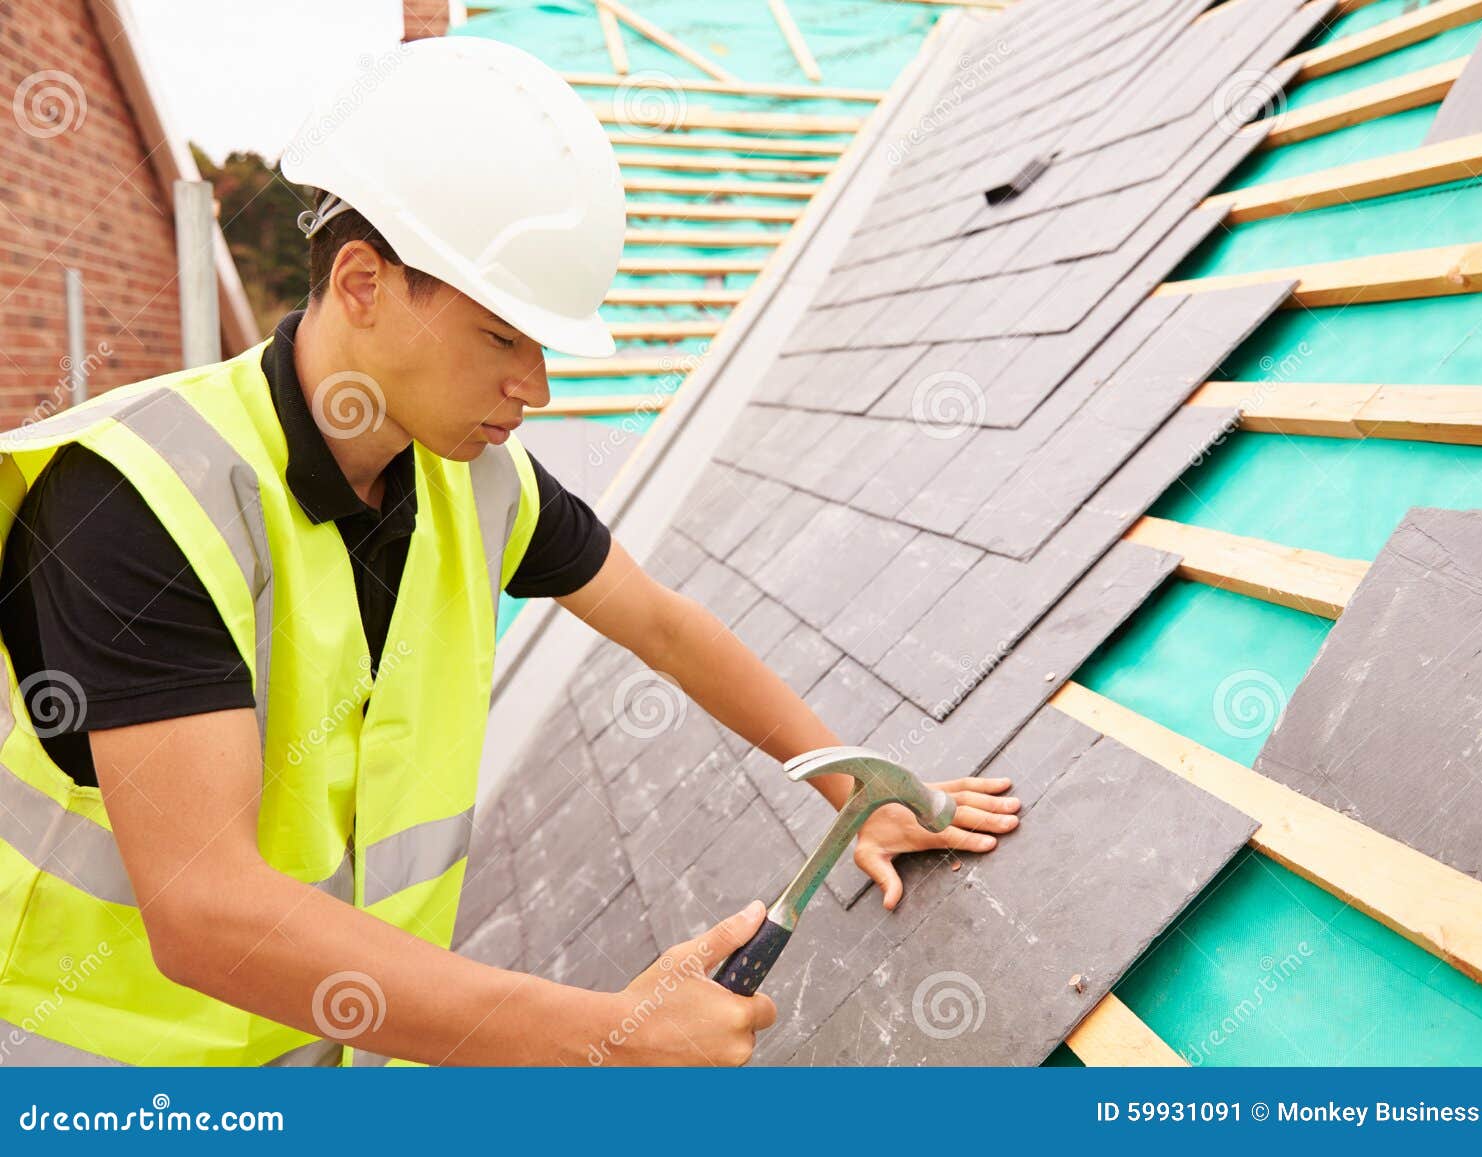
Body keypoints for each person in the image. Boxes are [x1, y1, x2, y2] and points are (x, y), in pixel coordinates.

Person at [0, 37, 1019, 1068]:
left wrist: (855, 791)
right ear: (362, 281)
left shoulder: (476, 480)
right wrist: (606, 1034)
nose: (536, 387)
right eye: (502, 338)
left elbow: (664, 626)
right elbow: (205, 910)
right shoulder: (136, 501)